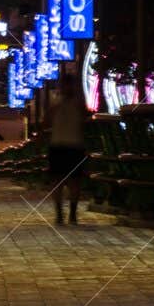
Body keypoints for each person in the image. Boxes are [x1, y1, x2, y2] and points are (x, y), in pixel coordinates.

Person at [47, 73, 89, 223]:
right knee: (70, 181)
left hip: (63, 145)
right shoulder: (79, 102)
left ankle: (65, 214)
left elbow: (47, 121)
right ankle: (68, 214)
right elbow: (85, 121)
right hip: (71, 145)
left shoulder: (56, 102)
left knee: (64, 181)